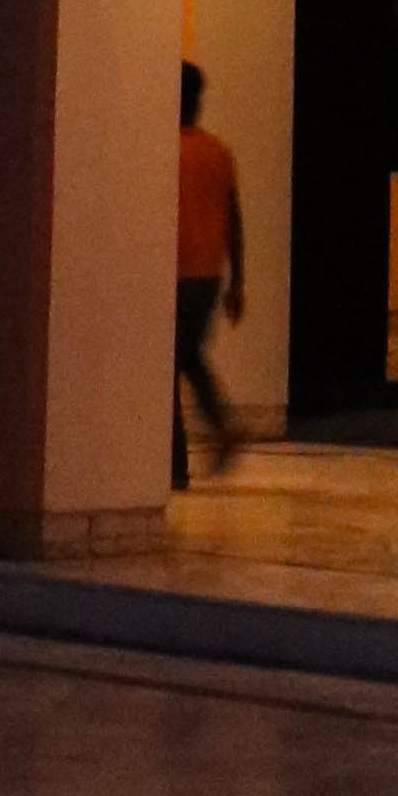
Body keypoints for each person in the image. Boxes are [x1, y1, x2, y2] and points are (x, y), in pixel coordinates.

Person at [172, 58, 244, 485]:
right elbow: (234, 219)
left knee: (173, 364)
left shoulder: (165, 152)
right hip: (208, 276)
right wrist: (237, 282)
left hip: (175, 274)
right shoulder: (217, 152)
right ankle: (216, 429)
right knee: (186, 358)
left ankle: (176, 464)